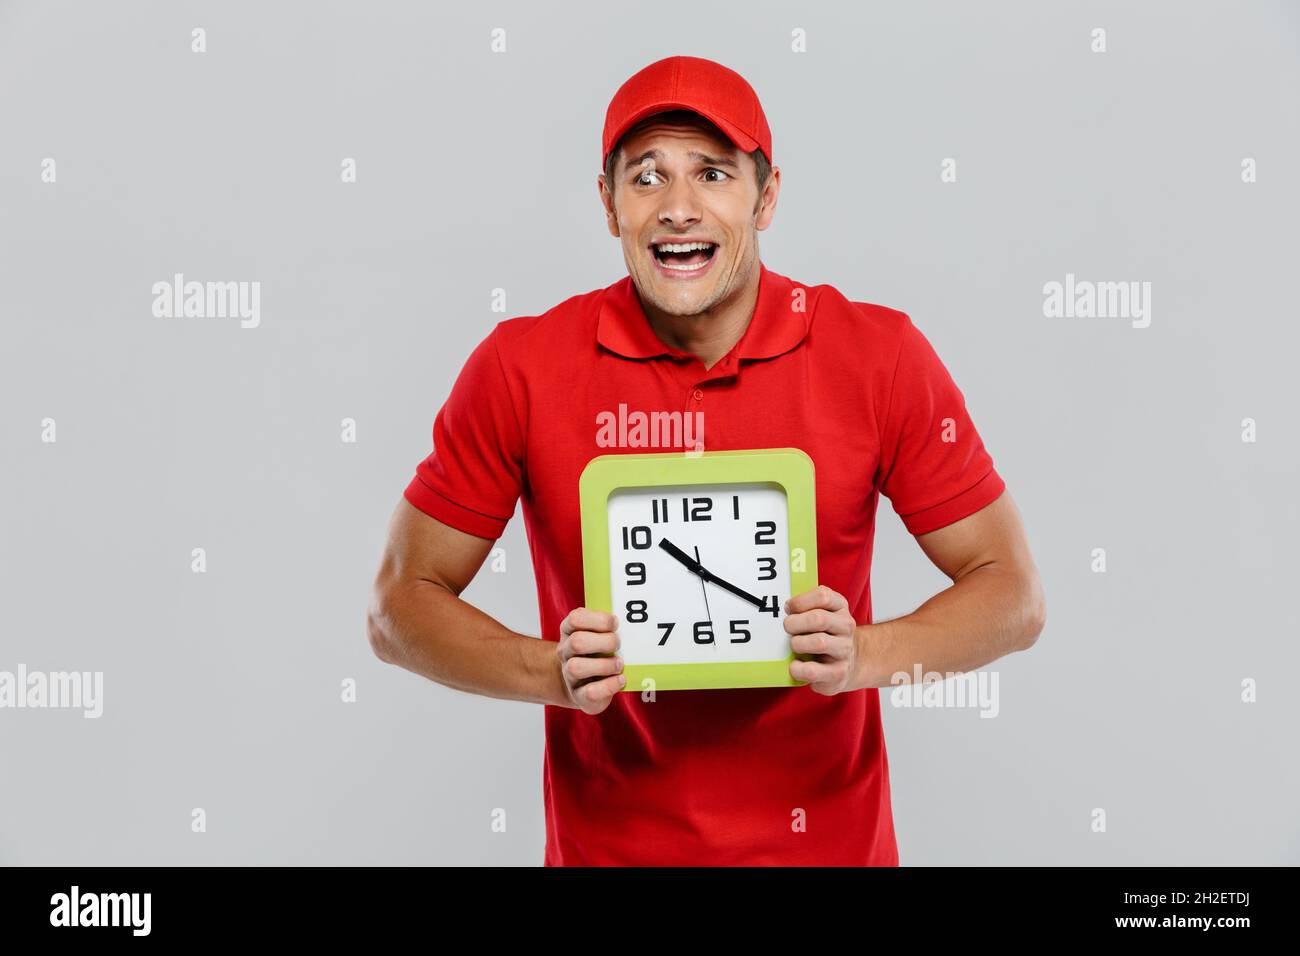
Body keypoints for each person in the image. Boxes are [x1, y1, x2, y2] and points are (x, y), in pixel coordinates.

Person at [367, 55, 1046, 866]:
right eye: (646, 177)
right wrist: (548, 671)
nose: (677, 209)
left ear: (765, 197)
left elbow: (1012, 593)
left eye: (713, 174)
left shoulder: (878, 356)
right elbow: (397, 608)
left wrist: (866, 654)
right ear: (607, 203)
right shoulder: (523, 367)